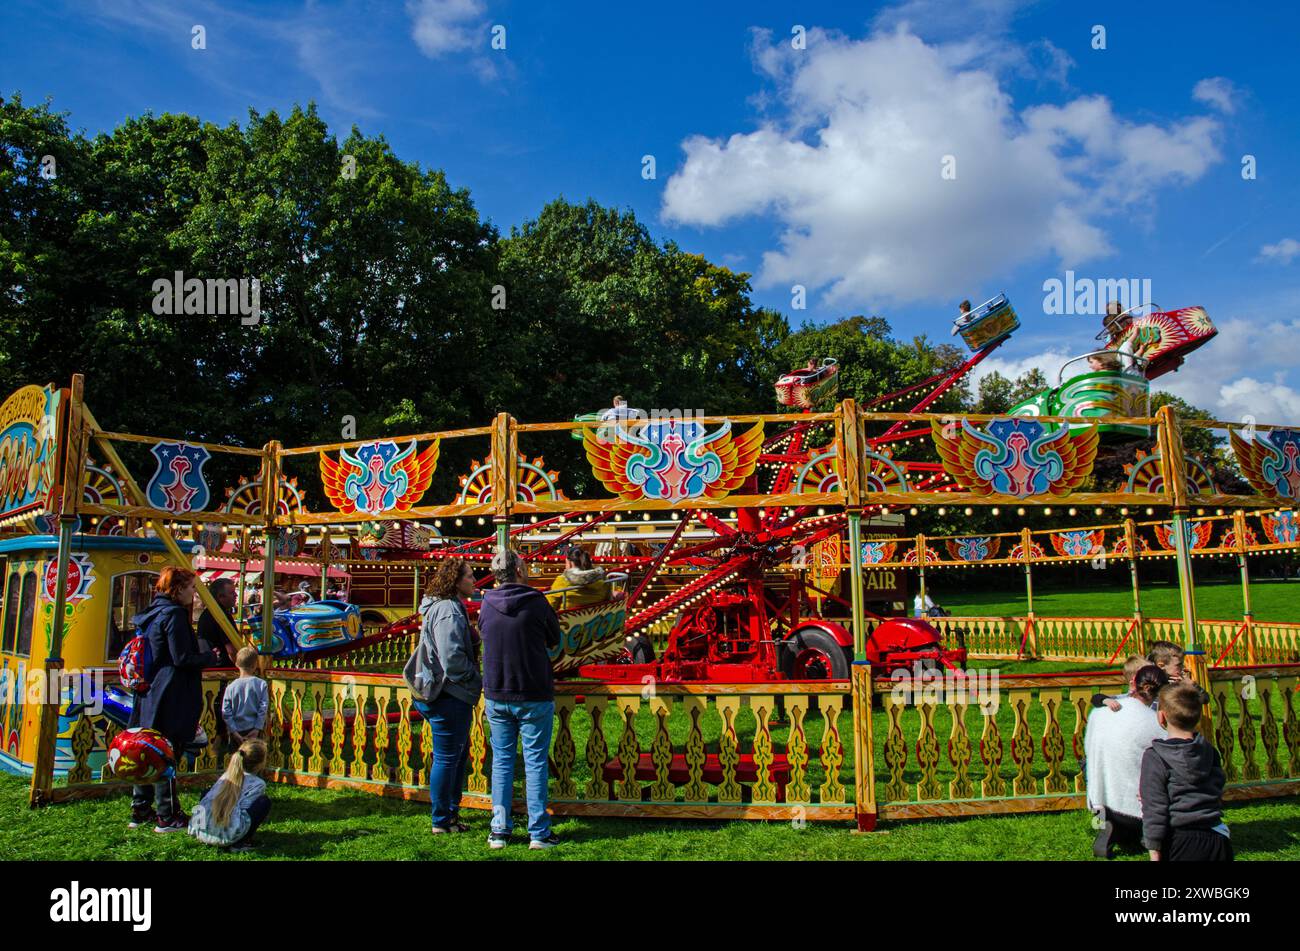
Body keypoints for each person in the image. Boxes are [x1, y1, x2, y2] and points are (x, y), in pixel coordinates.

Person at [127, 566, 223, 833]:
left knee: (148, 749)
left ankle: (140, 809)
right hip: (170, 693)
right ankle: (167, 816)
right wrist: (209, 657)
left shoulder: (151, 613)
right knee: (166, 753)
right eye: (192, 588)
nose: (194, 593)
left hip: (149, 691)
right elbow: (181, 657)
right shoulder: (175, 616)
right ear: (178, 589)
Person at [480, 549, 562, 850]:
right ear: (518, 571)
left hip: (497, 691)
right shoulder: (537, 602)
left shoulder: (486, 604)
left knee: (502, 762)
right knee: (535, 761)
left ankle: (499, 830)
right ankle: (538, 832)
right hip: (533, 690)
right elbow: (556, 638)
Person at [403, 557, 482, 834]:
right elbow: (451, 657)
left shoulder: (445, 606)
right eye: (470, 576)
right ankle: (442, 818)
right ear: (456, 580)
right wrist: (473, 679)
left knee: (454, 756)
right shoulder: (448, 610)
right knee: (448, 757)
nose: (474, 580)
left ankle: (449, 813)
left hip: (447, 691)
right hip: (449, 692)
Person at [1140, 681, 1232, 862]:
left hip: (1179, 841)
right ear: (1197, 717)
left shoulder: (1155, 757)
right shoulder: (1209, 751)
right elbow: (1217, 789)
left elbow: (1154, 808)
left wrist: (1153, 850)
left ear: (1161, 717)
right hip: (1217, 837)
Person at [1085, 664, 1168, 858]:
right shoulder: (1154, 723)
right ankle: (1149, 834)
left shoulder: (1098, 713)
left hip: (1099, 800)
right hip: (1135, 808)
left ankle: (1115, 828)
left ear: (1134, 683)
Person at [188, 738, 271, 852]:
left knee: (207, 793)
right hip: (229, 836)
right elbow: (246, 813)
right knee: (263, 802)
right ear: (260, 763)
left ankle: (210, 832)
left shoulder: (226, 775)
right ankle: (242, 842)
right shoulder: (258, 784)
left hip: (201, 831)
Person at [222, 646, 269, 746]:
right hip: (254, 727)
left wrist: (233, 731)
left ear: (236, 664)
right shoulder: (261, 684)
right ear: (255, 665)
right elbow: (263, 708)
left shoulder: (230, 687)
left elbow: (226, 711)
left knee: (237, 758)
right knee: (255, 756)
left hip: (236, 728)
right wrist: (257, 728)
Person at [547, 545, 611, 610]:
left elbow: (549, 606)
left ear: (569, 563)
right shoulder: (602, 579)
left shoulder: (562, 581)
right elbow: (608, 598)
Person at [196, 577, 239, 666]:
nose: (236, 595)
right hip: (222, 668)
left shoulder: (208, 613)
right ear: (220, 596)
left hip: (210, 665)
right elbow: (231, 651)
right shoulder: (220, 615)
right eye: (232, 593)